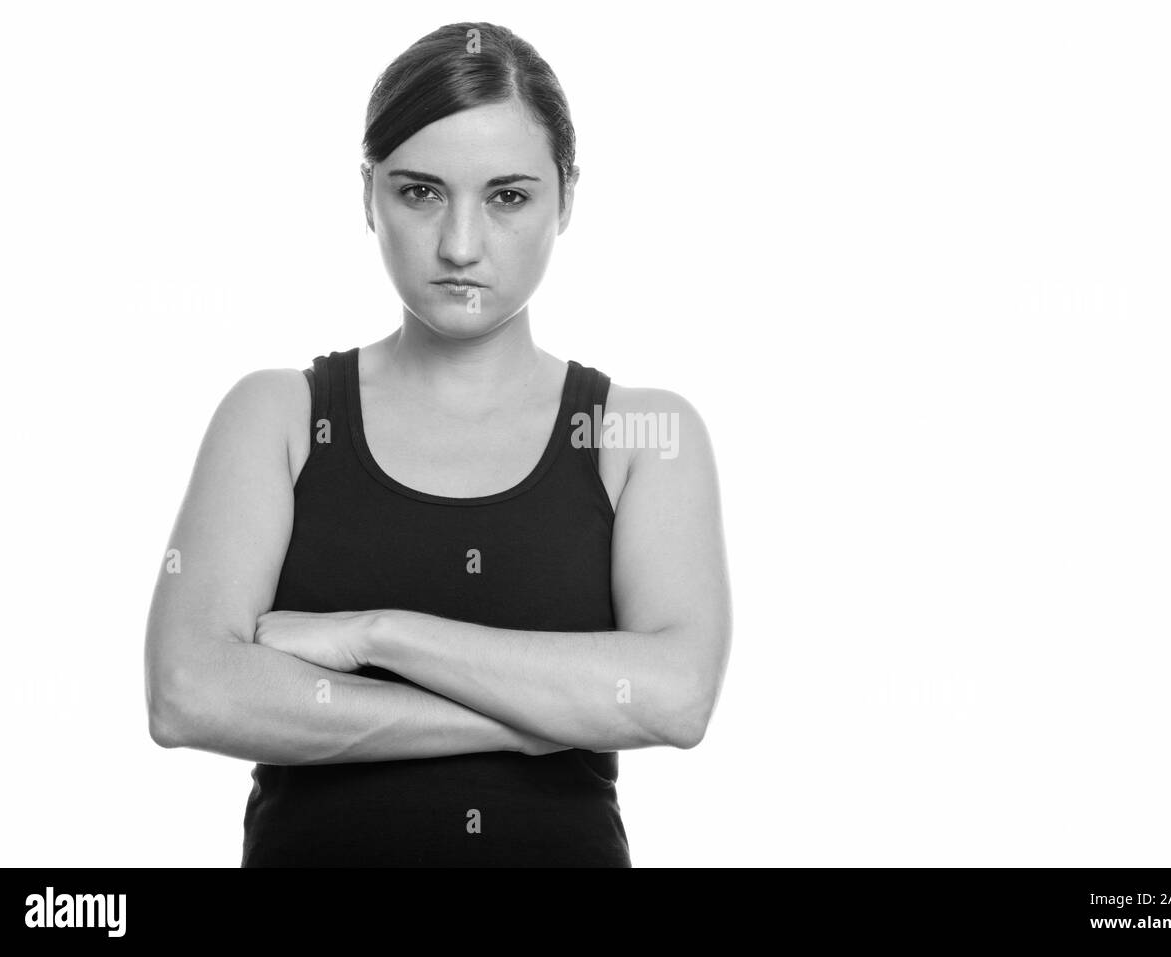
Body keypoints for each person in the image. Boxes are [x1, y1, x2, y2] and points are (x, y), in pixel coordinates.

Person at [143, 21, 731, 867]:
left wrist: (379, 635)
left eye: (507, 196)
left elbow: (674, 698)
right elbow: (187, 692)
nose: (460, 245)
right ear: (367, 194)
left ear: (567, 196)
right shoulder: (275, 415)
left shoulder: (641, 432)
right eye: (420, 192)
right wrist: (526, 717)